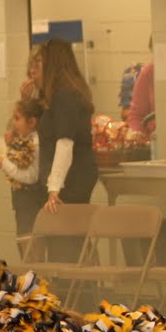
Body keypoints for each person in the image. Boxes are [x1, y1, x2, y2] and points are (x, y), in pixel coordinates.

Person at [30, 39, 99, 235]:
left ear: (52, 64)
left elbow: (65, 143)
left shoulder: (65, 96)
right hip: (72, 176)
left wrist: (54, 189)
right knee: (71, 237)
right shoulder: (63, 94)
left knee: (66, 239)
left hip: (70, 179)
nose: (34, 71)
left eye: (39, 64)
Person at [0, 97, 44, 236]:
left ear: (32, 122)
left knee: (29, 243)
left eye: (17, 118)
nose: (13, 123)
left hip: (32, 201)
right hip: (23, 200)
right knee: (24, 241)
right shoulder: (25, 140)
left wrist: (3, 163)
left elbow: (31, 176)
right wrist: (11, 146)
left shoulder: (35, 143)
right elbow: (19, 164)